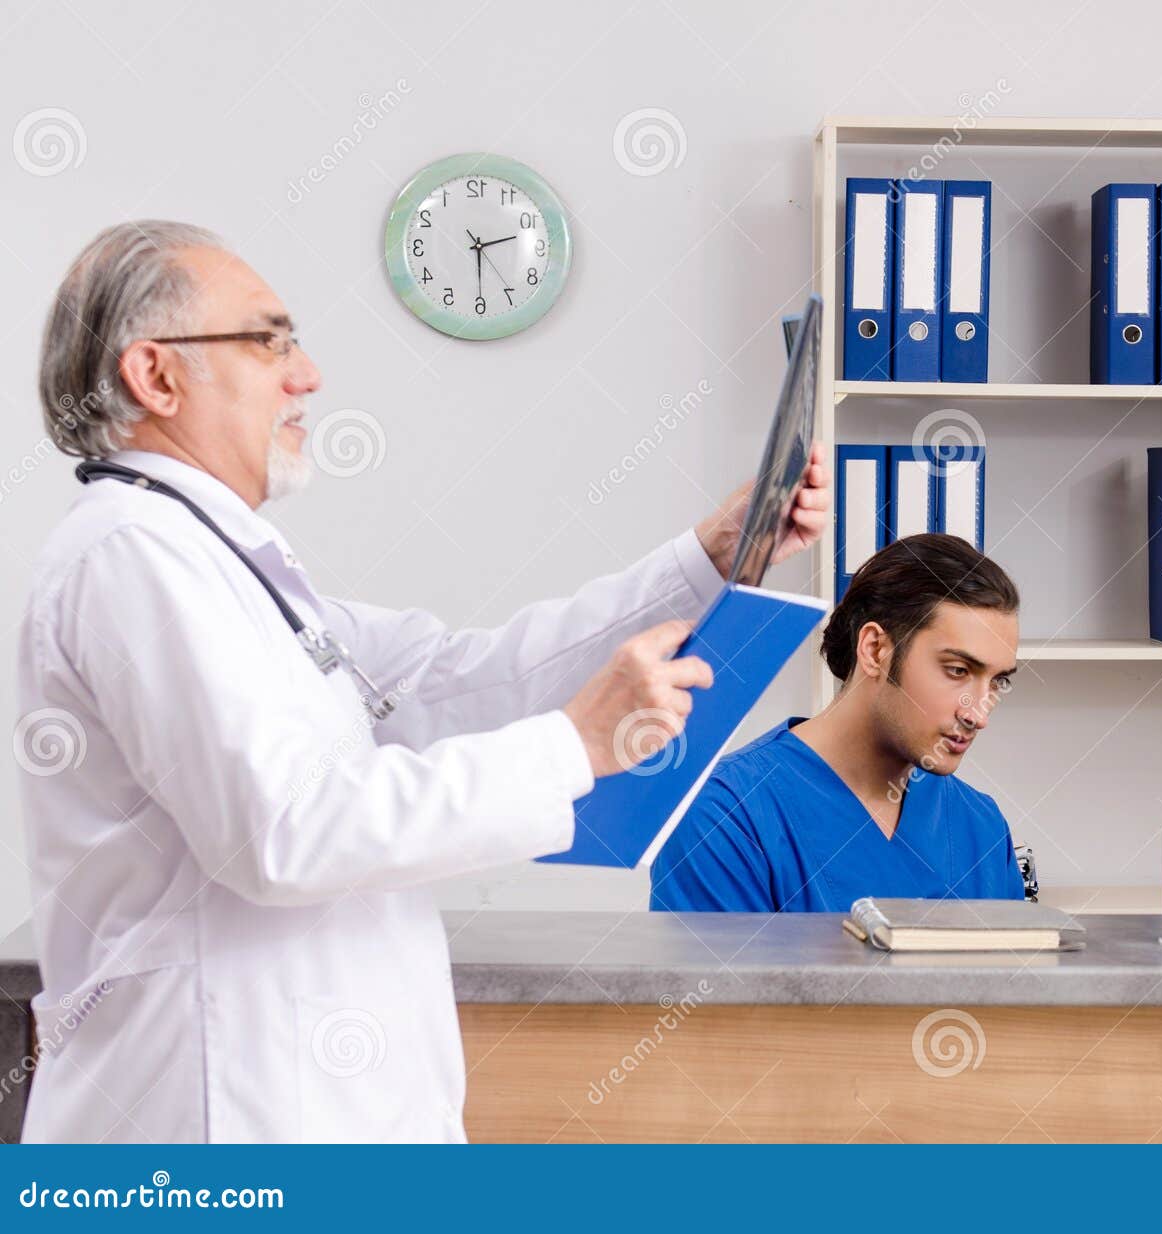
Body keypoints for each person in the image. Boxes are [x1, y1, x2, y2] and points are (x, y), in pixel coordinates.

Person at [16, 220, 829, 1142]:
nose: (307, 374)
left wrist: (702, 563)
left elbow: (463, 678)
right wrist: (573, 742)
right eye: (268, 339)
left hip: (314, 1105)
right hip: (219, 1118)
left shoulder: (224, 561)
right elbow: (283, 832)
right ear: (156, 376)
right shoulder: (132, 556)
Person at [650, 533, 1024, 913]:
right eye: (958, 670)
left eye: (998, 681)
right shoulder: (725, 817)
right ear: (875, 649)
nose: (978, 714)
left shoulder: (982, 828)